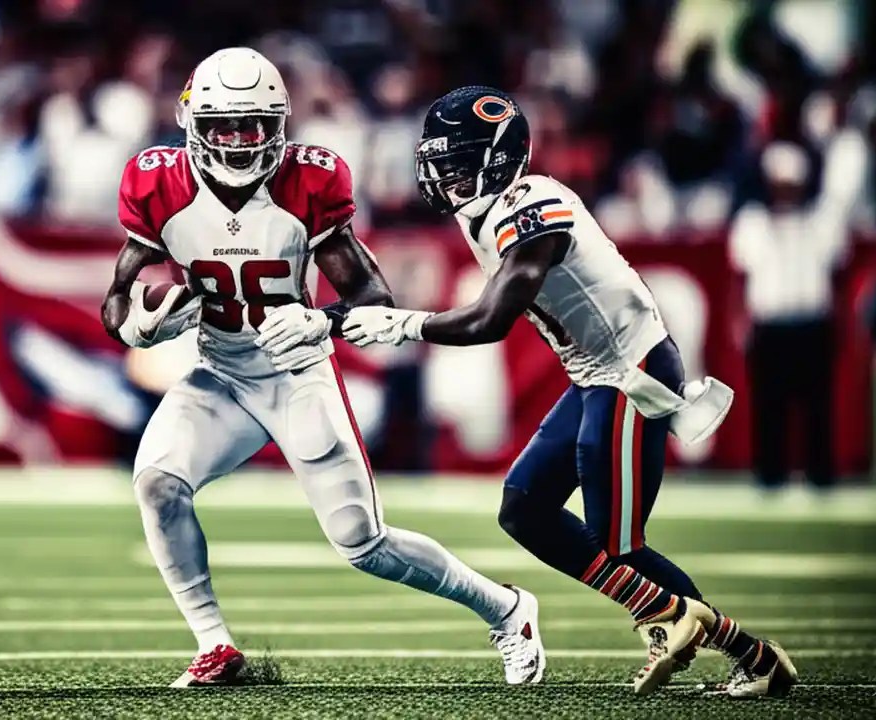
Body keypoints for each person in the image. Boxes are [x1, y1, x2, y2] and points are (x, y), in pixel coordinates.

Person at [101, 50, 544, 688]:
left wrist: (322, 321)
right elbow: (118, 298)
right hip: (220, 372)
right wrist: (136, 327)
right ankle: (214, 644)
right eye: (224, 126)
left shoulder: (308, 180)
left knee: (363, 543)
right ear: (193, 125)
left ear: (279, 124)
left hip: (296, 374)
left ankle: (505, 608)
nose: (238, 142)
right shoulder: (157, 183)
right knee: (157, 482)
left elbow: (372, 294)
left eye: (253, 126)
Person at [340, 86, 798, 698]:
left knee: (618, 546)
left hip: (630, 372)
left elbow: (491, 320)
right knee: (524, 507)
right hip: (593, 375)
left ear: (498, 159)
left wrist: (404, 325)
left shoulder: (533, 205)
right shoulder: (486, 213)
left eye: (458, 163)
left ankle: (746, 653)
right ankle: (677, 617)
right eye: (440, 164)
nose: (445, 177)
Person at [729, 142, 846, 492]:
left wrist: (839, 320)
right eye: (779, 184)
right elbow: (740, 277)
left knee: (817, 404)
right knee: (769, 405)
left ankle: (820, 474)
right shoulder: (752, 222)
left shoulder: (823, 221)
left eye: (791, 184)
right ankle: (770, 474)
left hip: (812, 321)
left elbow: (838, 274)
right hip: (770, 324)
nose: (785, 191)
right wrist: (739, 319)